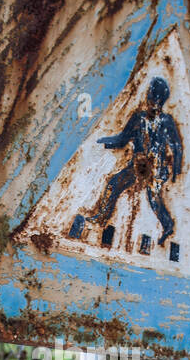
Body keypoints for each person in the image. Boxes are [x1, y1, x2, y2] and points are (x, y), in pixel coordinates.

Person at [70, 76, 182, 247]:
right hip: (137, 166)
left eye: (157, 99)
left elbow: (176, 147)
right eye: (152, 97)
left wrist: (176, 172)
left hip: (156, 169)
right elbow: (122, 139)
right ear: (149, 97)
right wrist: (102, 142)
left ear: (162, 100)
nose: (154, 102)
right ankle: (101, 217)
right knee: (114, 184)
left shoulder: (166, 121)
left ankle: (167, 225)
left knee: (155, 200)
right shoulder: (139, 118)